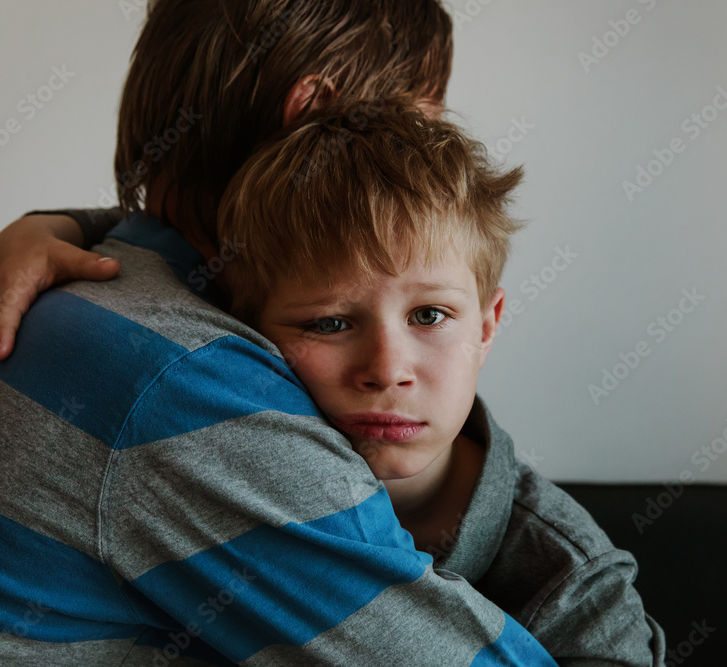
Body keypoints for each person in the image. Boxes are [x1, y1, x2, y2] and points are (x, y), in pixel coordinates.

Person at [0, 1, 562, 665]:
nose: (427, 172)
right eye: (420, 126)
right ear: (312, 115)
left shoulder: (111, 294)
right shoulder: (197, 382)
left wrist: (53, 223)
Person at [212, 99, 666, 662]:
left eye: (429, 316)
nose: (386, 369)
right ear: (248, 331)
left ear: (487, 325)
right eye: (329, 323)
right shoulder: (221, 496)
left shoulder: (573, 583)